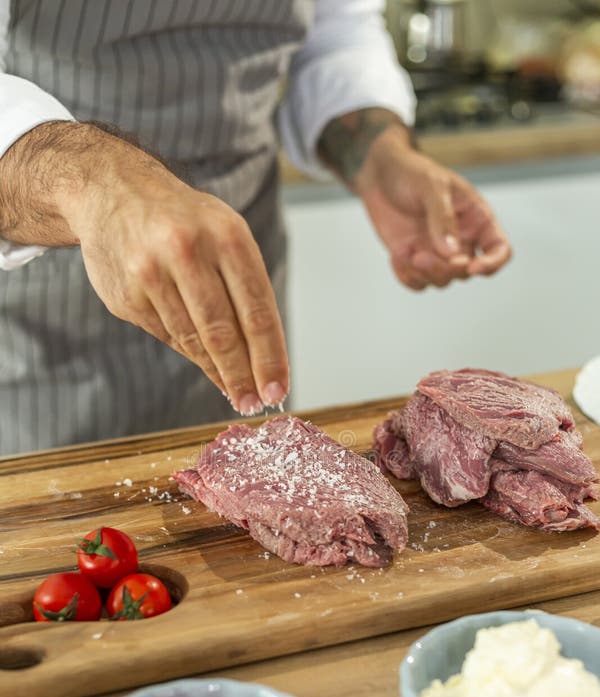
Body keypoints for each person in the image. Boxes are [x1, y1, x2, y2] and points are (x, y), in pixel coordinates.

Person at [0, 0, 511, 456]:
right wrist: (95, 184)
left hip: (243, 272)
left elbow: (337, 31)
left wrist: (380, 157)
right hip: (43, 335)